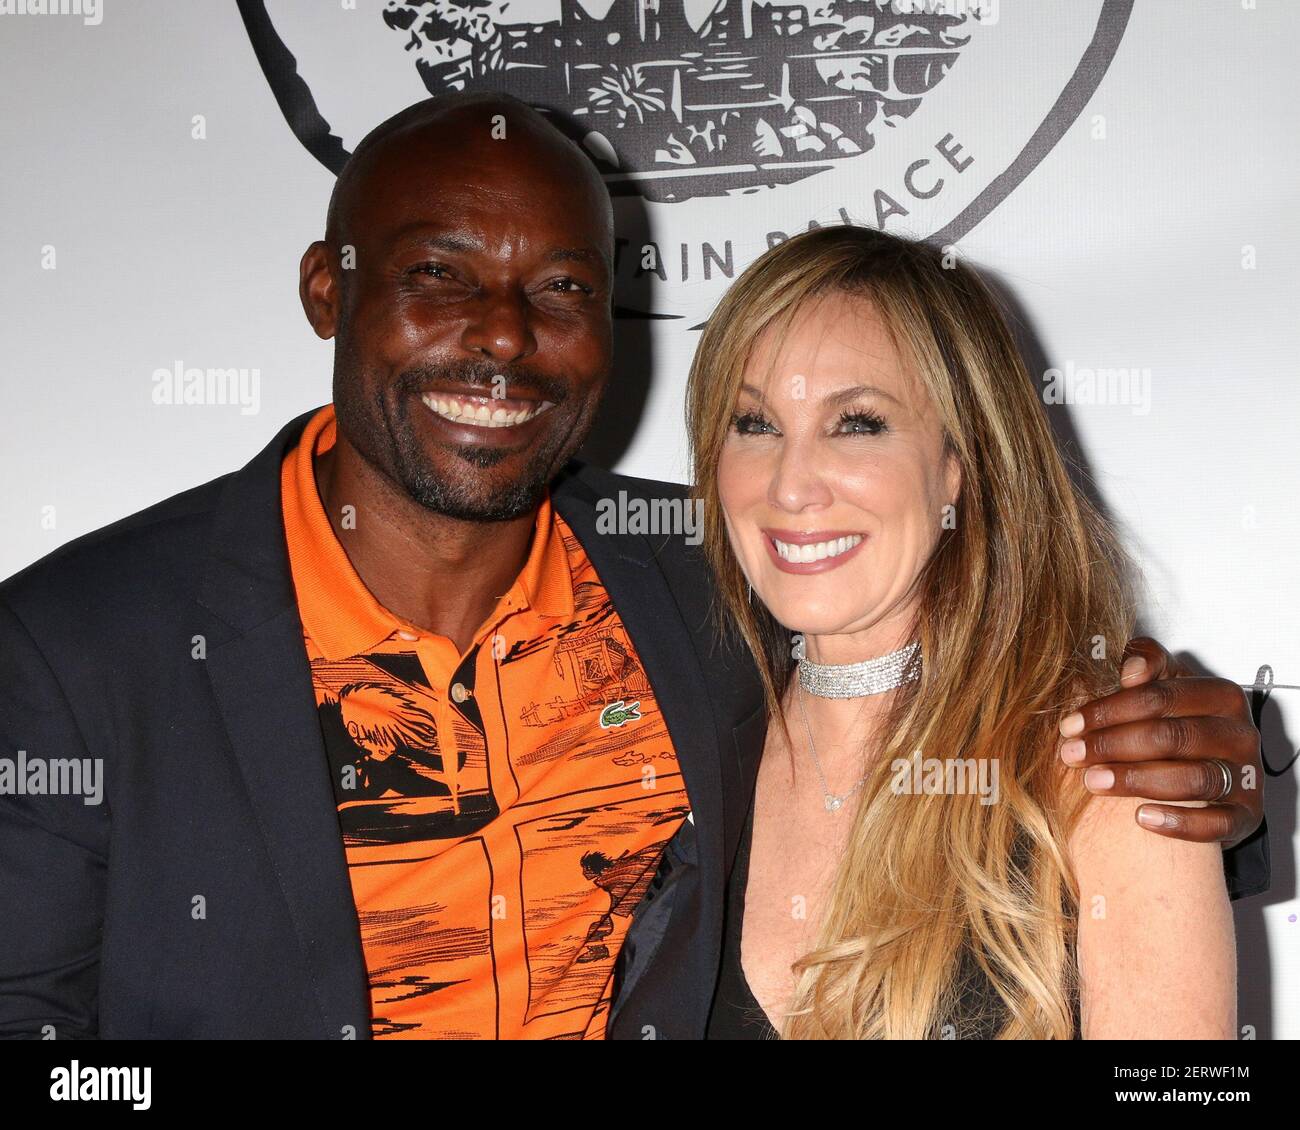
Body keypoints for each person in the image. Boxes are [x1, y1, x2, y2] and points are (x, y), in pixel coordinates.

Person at [0, 93, 1268, 1041]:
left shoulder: (696, 593)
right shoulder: (81, 646)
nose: (501, 338)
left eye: (558, 287)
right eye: (439, 274)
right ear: (330, 290)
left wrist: (1238, 760)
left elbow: (997, 757)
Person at [690, 225, 1253, 1039]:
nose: (790, 484)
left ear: (959, 462)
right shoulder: (677, 741)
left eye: (857, 423)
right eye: (754, 423)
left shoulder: (1101, 765)